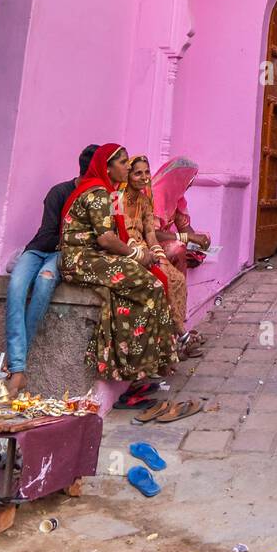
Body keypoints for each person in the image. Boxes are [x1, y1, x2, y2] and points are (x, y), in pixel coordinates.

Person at [60, 144, 180, 383]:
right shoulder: (98, 193)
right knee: (152, 286)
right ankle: (141, 363)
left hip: (100, 256)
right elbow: (105, 238)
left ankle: (140, 360)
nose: (127, 167)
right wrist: (136, 255)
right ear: (107, 167)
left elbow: (120, 230)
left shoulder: (111, 193)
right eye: (123, 163)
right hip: (81, 258)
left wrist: (141, 253)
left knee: (144, 285)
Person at [5, 144, 99, 397]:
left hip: (61, 255)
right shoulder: (60, 192)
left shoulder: (98, 197)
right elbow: (47, 232)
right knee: (15, 286)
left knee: (45, 281)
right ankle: (18, 369)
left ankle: (16, 368)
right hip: (39, 249)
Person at [120, 155, 199, 354]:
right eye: (138, 173)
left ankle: (177, 334)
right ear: (128, 174)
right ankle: (179, 338)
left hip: (145, 249)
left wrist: (158, 255)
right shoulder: (117, 199)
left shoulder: (145, 200)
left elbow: (149, 234)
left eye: (147, 172)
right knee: (162, 282)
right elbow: (117, 232)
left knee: (177, 278)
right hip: (125, 250)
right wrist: (139, 252)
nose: (144, 177)